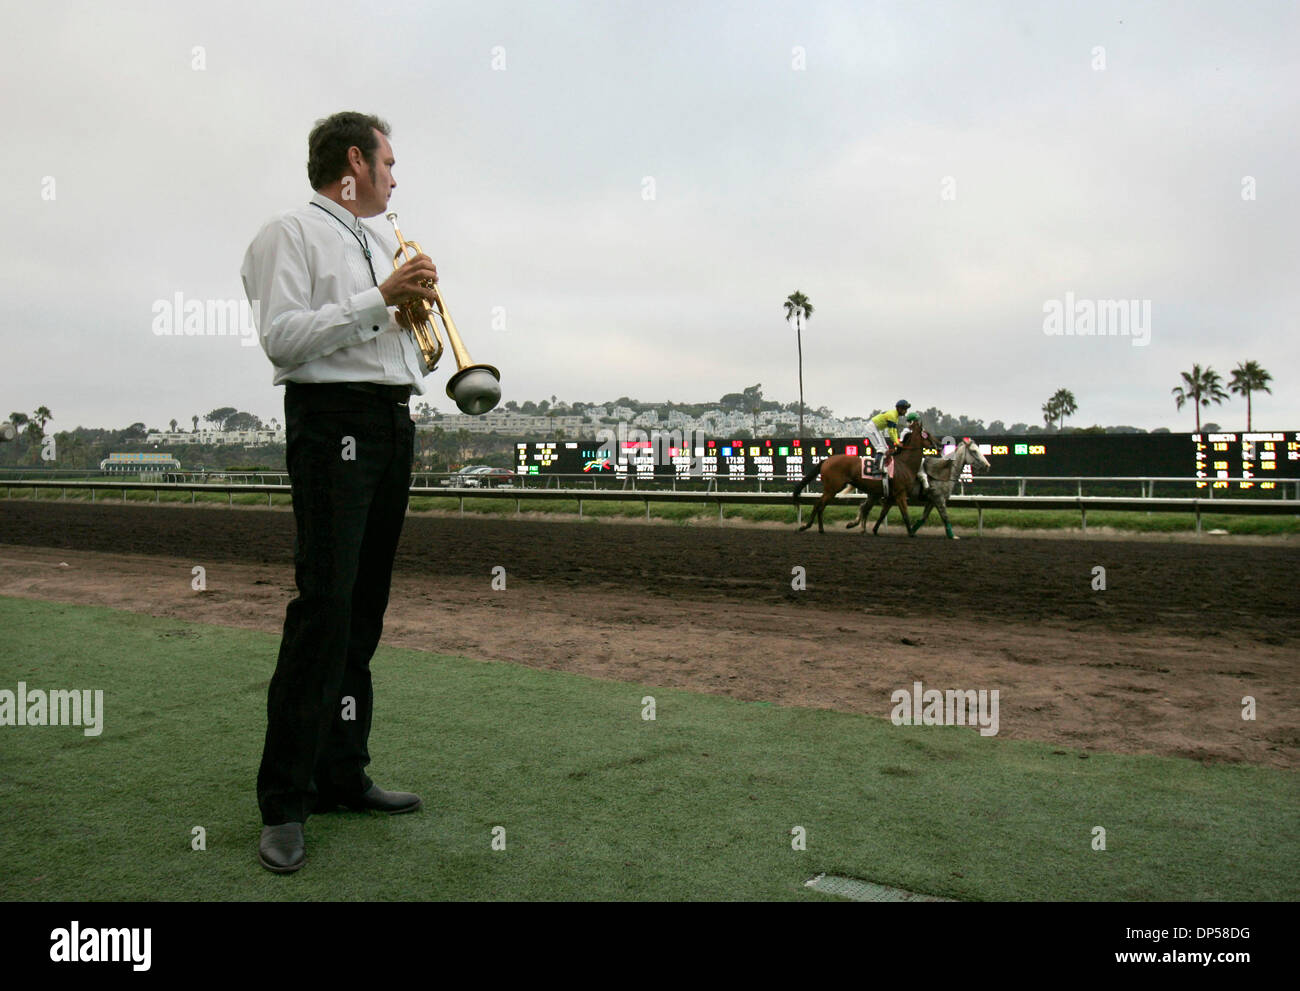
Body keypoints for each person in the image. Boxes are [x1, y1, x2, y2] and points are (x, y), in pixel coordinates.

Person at [240, 111, 440, 874]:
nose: (396, 175)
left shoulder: (382, 239)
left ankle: (342, 772)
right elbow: (283, 338)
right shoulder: (287, 233)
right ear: (354, 160)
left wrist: (407, 305)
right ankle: (284, 802)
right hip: (332, 422)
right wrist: (378, 297)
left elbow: (383, 333)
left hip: (391, 420)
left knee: (364, 610)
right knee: (323, 605)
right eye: (390, 160)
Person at [864, 400, 911, 473]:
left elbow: (894, 431)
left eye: (906, 409)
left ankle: (882, 466)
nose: (906, 411)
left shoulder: (896, 417)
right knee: (881, 448)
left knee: (886, 449)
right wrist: (897, 443)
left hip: (876, 428)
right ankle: (875, 468)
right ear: (899, 408)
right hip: (871, 428)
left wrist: (897, 442)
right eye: (904, 409)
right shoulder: (892, 416)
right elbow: (890, 432)